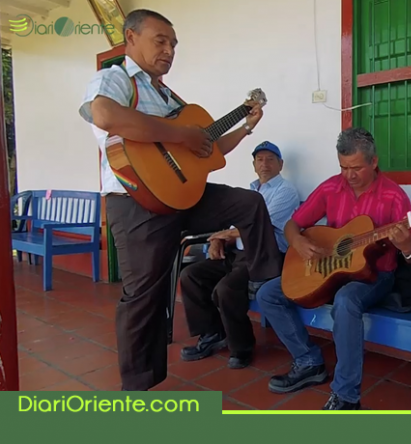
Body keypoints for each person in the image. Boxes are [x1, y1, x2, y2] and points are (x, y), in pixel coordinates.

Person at [78, 9, 283, 391]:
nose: (169, 50)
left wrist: (247, 125)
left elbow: (210, 150)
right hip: (136, 201)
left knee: (249, 203)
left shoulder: (168, 96)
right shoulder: (116, 78)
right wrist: (179, 136)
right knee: (144, 296)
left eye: (173, 44)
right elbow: (104, 114)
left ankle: (263, 281)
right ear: (131, 38)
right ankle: (138, 388)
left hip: (181, 196)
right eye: (160, 40)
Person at [256, 127, 411, 410]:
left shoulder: (394, 196)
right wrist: (298, 242)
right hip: (330, 269)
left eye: (356, 168)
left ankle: (346, 395)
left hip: (374, 276)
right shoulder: (331, 187)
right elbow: (293, 224)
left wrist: (406, 245)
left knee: (346, 302)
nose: (349, 175)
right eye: (343, 167)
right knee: (268, 294)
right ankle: (309, 362)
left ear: (373, 162)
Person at [178, 141, 300, 369]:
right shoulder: (251, 190)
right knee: (191, 275)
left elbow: (257, 226)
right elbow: (233, 224)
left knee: (226, 289)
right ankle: (212, 333)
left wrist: (220, 236)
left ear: (281, 164)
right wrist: (217, 238)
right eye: (260, 159)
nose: (265, 164)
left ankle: (242, 347)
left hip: (266, 257)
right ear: (254, 164)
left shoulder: (286, 191)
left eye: (271, 159)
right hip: (239, 254)